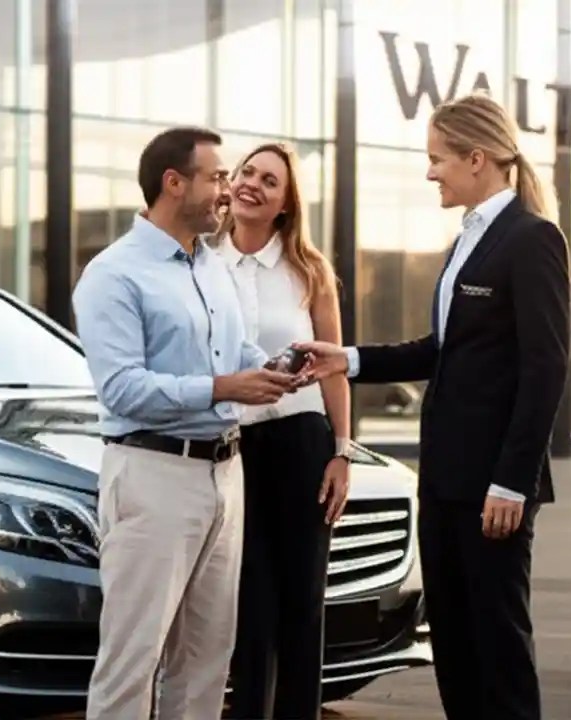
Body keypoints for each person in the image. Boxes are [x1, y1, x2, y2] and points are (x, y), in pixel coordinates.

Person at [295, 93, 571, 720]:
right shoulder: (467, 242)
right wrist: (348, 359)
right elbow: (441, 351)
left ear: (477, 159)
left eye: (437, 159)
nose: (429, 173)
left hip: (492, 489)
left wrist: (512, 482)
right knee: (452, 643)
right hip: (444, 479)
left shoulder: (532, 239)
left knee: (496, 647)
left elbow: (546, 367)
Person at [72, 126, 304, 720]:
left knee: (206, 661)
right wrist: (224, 388)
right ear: (174, 184)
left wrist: (275, 369)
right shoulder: (113, 275)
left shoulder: (211, 265)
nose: (228, 189)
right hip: (153, 475)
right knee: (133, 659)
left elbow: (235, 351)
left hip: (225, 475)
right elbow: (123, 388)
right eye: (218, 177)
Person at [209, 142, 351, 720]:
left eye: (269, 181)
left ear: (286, 205)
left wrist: (342, 453)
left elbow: (335, 366)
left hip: (301, 442)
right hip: (234, 446)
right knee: (249, 607)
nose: (251, 184)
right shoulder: (201, 261)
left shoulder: (308, 271)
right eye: (247, 172)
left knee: (302, 606)